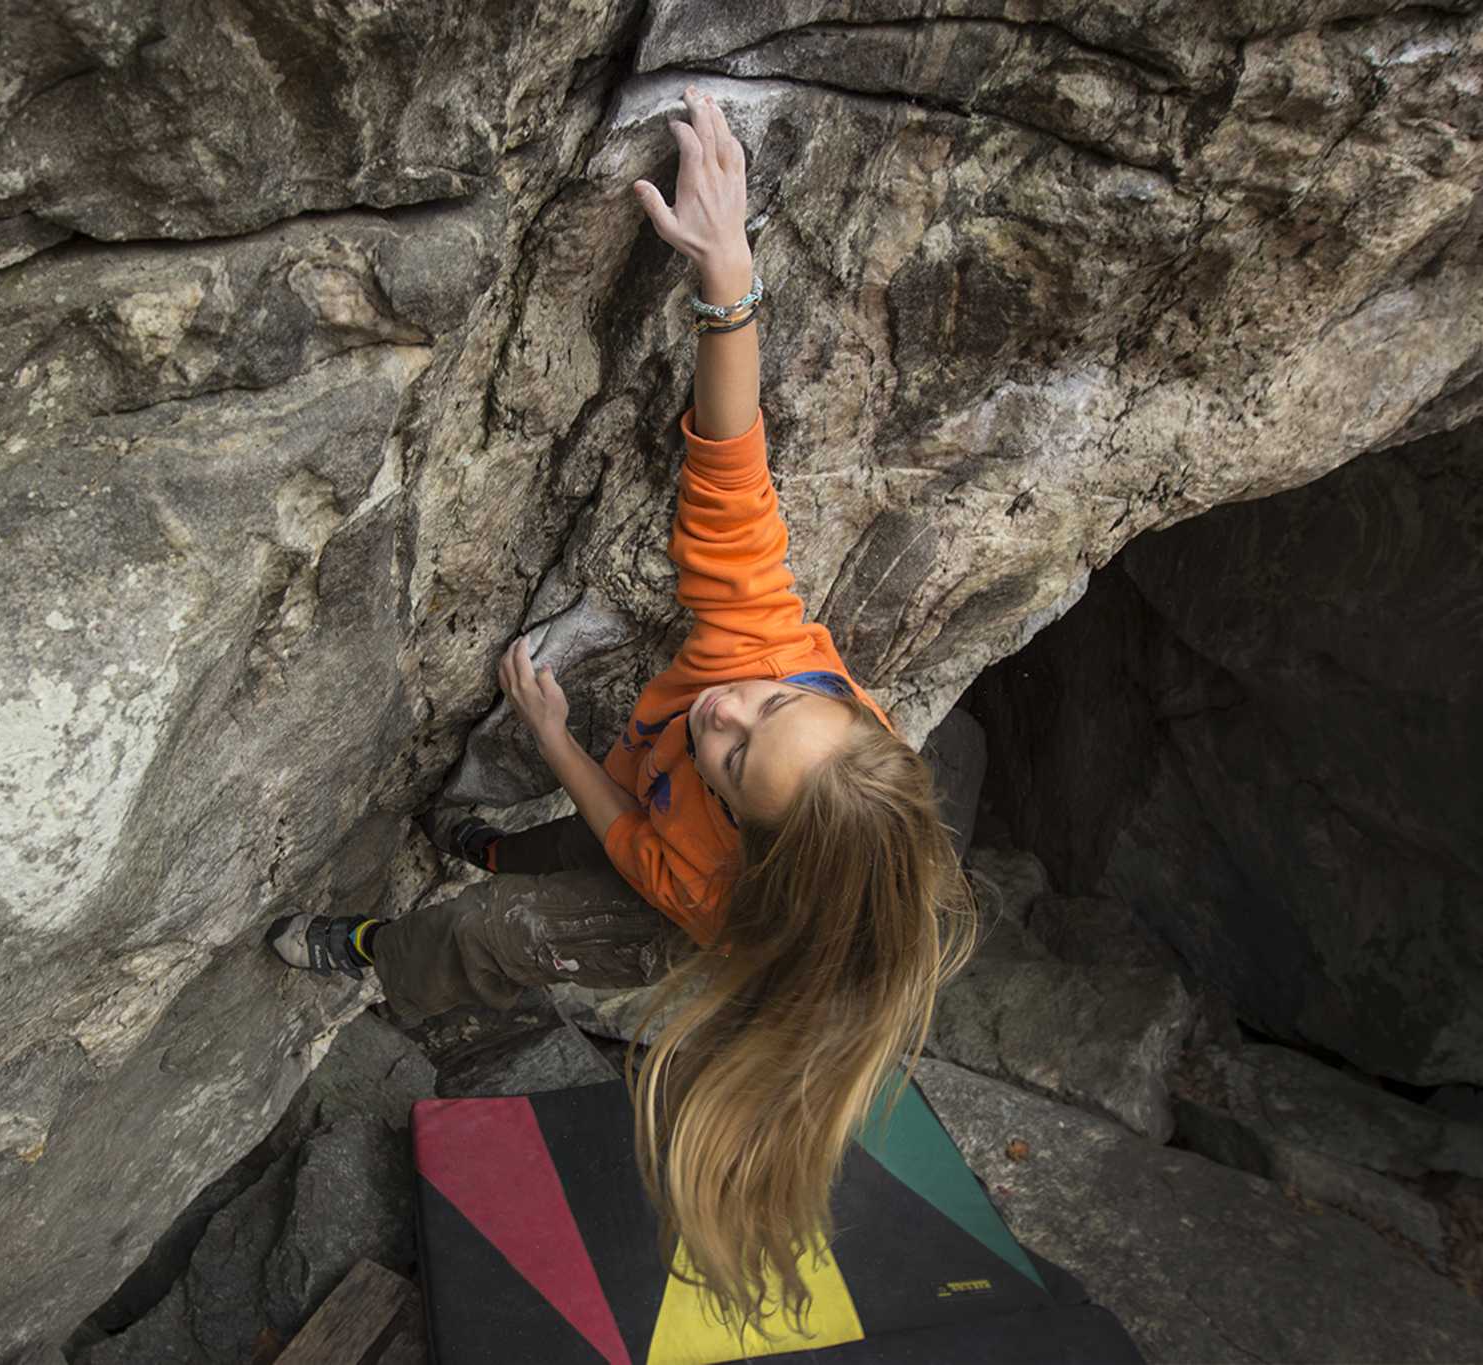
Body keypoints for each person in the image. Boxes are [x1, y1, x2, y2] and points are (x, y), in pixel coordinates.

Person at [270, 83, 976, 1343]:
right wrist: (726, 277)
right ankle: (483, 841)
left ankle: (374, 962)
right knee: (546, 837)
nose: (725, 703)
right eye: (768, 703)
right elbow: (731, 470)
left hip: (696, 933)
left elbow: (646, 856)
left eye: (736, 752)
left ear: (743, 830)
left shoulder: (722, 890)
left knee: (497, 929)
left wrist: (553, 746)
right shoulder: (775, 666)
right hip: (718, 856)